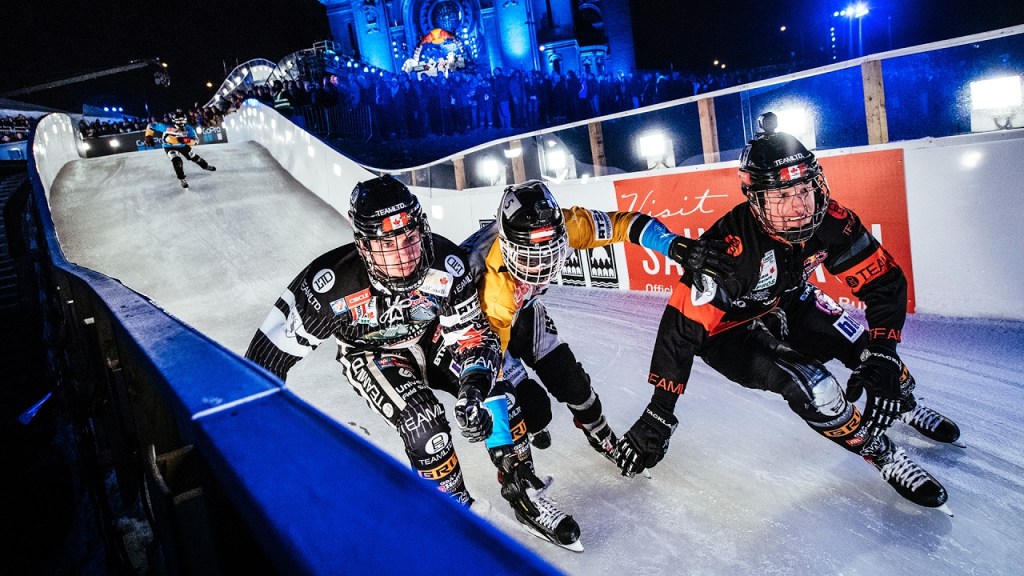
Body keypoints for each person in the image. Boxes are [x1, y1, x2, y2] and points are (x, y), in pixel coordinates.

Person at [614, 112, 960, 514]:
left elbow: (882, 282)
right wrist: (660, 412)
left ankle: (904, 401)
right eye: (781, 197)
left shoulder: (831, 220)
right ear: (756, 199)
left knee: (868, 347)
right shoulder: (729, 251)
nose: (798, 207)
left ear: (819, 184)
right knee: (817, 387)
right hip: (731, 333)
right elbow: (681, 329)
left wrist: (884, 352)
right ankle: (880, 453)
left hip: (789, 301)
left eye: (804, 191)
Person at [244, 176, 583, 551]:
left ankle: (524, 491)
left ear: (422, 230)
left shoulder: (447, 263)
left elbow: (476, 339)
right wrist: (260, 440)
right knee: (424, 423)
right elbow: (262, 362)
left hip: (432, 336)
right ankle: (449, 509)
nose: (403, 254)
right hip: (371, 354)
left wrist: (474, 388)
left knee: (501, 394)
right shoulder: (328, 285)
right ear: (363, 246)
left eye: (409, 238)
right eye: (387, 244)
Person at [460, 180, 732, 465]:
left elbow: (626, 224)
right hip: (483, 322)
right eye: (531, 258)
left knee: (573, 383)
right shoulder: (494, 286)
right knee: (526, 403)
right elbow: (488, 366)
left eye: (550, 253)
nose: (541, 268)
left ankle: (597, 432)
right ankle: (530, 434)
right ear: (507, 247)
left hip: (523, 307)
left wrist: (675, 246)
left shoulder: (569, 224)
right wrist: (505, 453)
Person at [144, 111, 216, 188]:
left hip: (182, 146)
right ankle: (182, 178)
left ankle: (205, 166)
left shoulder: (188, 128)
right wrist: (148, 136)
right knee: (177, 162)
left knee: (194, 157)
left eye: (182, 120)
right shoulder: (166, 126)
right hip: (169, 147)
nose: (181, 122)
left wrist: (185, 140)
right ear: (174, 120)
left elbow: (196, 141)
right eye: (179, 120)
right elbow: (151, 125)